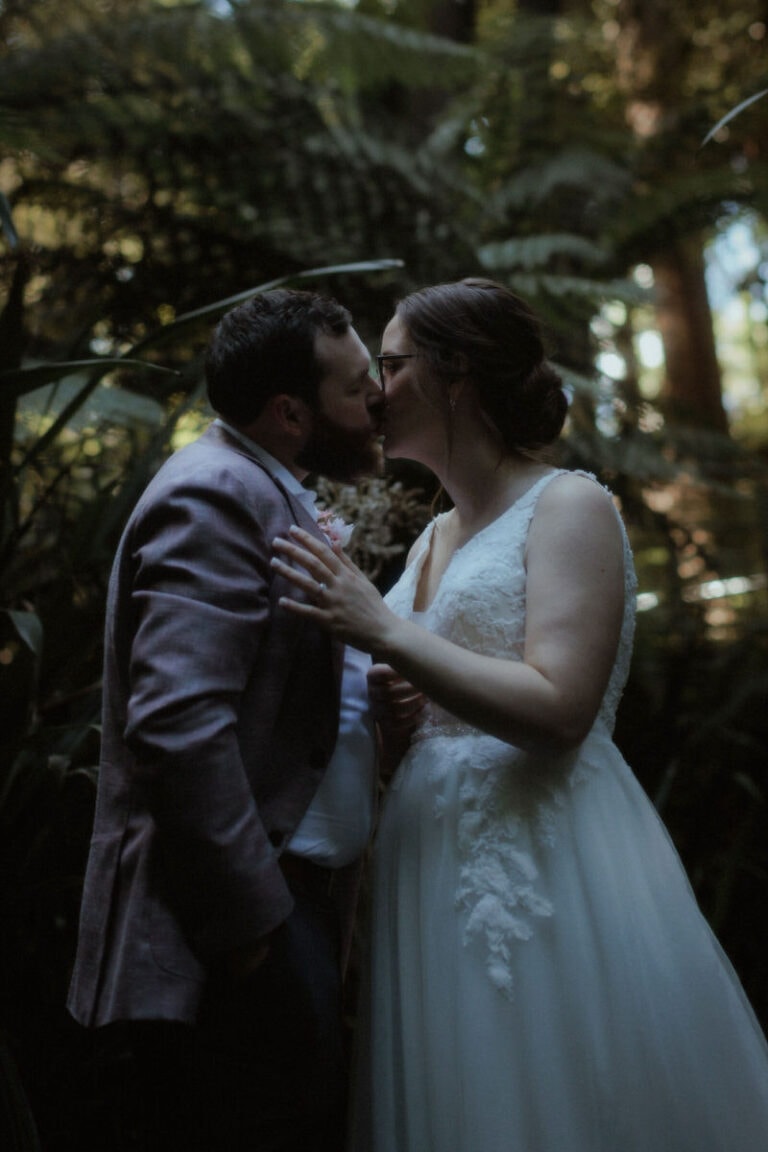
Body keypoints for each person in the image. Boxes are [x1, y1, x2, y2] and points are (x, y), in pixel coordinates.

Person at [271, 277, 768, 1152]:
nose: (375, 392)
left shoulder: (568, 506)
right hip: (431, 865)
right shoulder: (433, 538)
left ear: (456, 376)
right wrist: (401, 714)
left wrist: (387, 631)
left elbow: (559, 708)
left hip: (547, 861)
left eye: (390, 365)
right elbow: (433, 702)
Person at [67, 288, 383, 1152]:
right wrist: (258, 935)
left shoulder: (267, 485)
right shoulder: (215, 496)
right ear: (291, 411)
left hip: (292, 911)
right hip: (239, 929)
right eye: (358, 390)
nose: (377, 404)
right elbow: (178, 724)